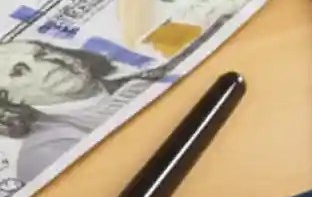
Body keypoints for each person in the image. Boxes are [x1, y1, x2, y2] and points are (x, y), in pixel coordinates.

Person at [0, 38, 191, 183]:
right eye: (19, 71)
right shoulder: (47, 150)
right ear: (10, 99)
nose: (51, 64)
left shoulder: (149, 76)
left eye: (42, 54)